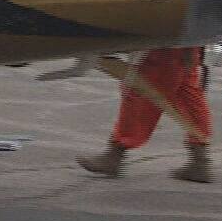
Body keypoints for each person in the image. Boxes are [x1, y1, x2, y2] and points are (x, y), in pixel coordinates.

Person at [79, 46, 213, 183]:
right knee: (188, 95)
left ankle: (115, 155)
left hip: (166, 43)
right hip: (187, 42)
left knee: (140, 93)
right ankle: (200, 160)